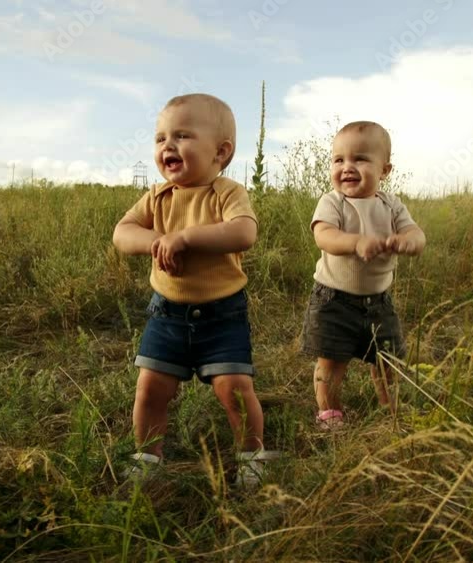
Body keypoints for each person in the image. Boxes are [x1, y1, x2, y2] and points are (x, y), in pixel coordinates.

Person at [112, 93, 274, 486]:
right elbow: (122, 233)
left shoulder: (227, 193)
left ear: (221, 152)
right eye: (160, 138)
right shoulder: (157, 196)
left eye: (182, 135)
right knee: (150, 389)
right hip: (166, 314)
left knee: (234, 389)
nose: (168, 145)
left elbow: (244, 231)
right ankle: (148, 456)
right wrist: (155, 241)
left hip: (222, 316)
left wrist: (184, 238)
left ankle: (252, 454)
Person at [300, 121, 426, 429]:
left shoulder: (391, 205)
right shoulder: (333, 202)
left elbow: (416, 234)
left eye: (360, 159)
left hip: (378, 303)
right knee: (330, 362)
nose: (347, 167)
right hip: (333, 300)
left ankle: (389, 407)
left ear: (384, 170)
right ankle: (330, 414)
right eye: (339, 160)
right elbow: (324, 236)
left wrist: (408, 241)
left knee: (387, 361)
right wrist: (356, 242)